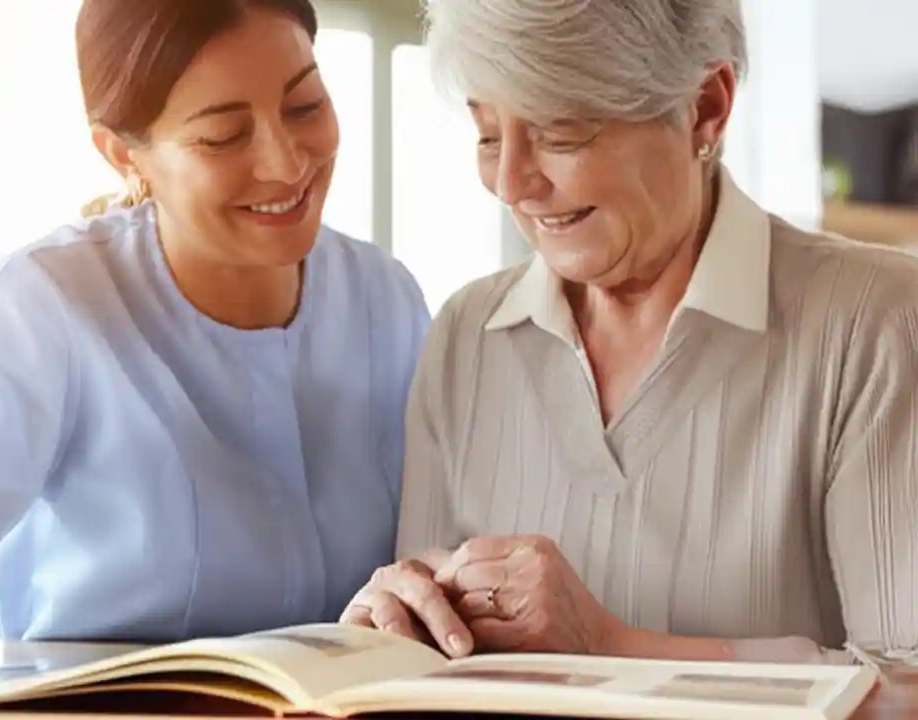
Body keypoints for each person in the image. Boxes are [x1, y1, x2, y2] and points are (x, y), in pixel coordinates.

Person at [0, 0, 430, 698]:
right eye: (222, 137)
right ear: (124, 154)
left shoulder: (387, 298)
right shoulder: (50, 303)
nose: (285, 162)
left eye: (304, 107)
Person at [344, 0, 918, 666]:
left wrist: (612, 645)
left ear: (706, 106)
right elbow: (431, 669)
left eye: (560, 133)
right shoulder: (466, 336)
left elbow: (909, 682)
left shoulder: (874, 325)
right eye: (488, 134)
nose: (511, 183)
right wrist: (399, 626)